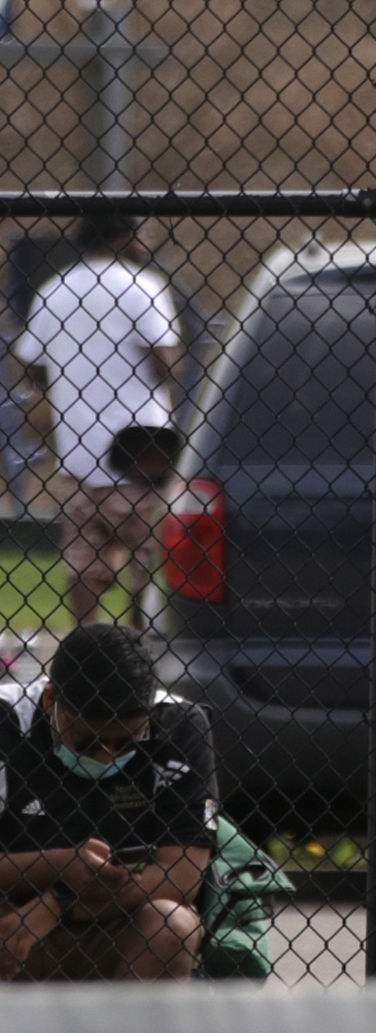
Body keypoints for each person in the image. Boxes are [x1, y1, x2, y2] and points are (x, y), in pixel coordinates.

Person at [0, 624, 217, 981]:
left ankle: (128, 1022)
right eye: (88, 742)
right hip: (11, 921)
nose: (106, 757)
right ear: (51, 700)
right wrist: (59, 864)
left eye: (126, 743)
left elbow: (181, 875)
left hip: (115, 928)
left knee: (172, 923)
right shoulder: (7, 719)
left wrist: (58, 904)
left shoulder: (179, 723)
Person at [14, 215, 183, 631]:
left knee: (82, 556)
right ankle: (140, 640)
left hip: (79, 452)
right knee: (146, 556)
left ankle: (85, 641)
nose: (145, 242)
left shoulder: (55, 289)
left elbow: (32, 366)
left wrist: (72, 375)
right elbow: (163, 364)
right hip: (141, 452)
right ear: (120, 236)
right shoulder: (142, 286)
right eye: (140, 234)